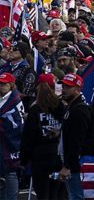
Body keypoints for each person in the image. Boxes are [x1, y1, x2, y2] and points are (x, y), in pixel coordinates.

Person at [58, 73, 94, 200]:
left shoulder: (79, 110)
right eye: (64, 86)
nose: (64, 90)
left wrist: (68, 166)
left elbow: (76, 141)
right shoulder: (71, 107)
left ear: (78, 89)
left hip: (78, 164)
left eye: (68, 87)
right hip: (75, 162)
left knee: (76, 196)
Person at [22, 73, 64, 200]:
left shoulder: (35, 109)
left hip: (40, 157)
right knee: (56, 193)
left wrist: (24, 159)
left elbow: (28, 137)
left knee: (42, 193)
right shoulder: (61, 107)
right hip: (57, 156)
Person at [0, 72, 23, 200]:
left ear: (11, 84)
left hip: (10, 143)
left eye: (3, 84)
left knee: (10, 173)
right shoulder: (4, 98)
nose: (0, 86)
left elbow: (13, 124)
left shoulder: (13, 100)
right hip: (3, 143)